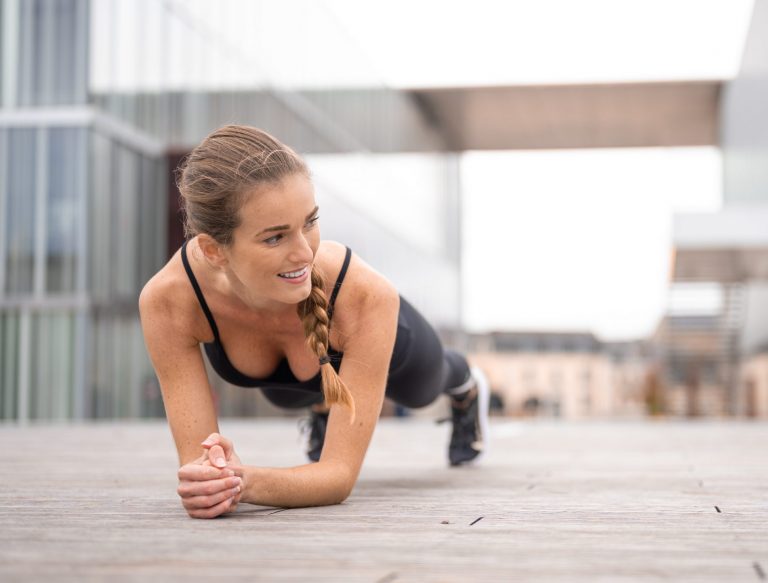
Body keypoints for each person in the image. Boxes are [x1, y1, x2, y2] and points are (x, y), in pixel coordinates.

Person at [139, 125, 490, 519]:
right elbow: (198, 463)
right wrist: (211, 477)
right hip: (298, 380)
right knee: (287, 392)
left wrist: (240, 481)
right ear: (213, 250)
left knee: (424, 389)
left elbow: (337, 477)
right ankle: (324, 407)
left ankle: (466, 387)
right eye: (275, 238)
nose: (305, 253)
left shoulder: (365, 295)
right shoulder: (170, 300)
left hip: (395, 345)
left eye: (310, 221)